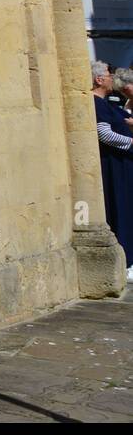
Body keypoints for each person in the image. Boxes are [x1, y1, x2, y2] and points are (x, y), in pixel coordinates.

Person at [92, 60, 133, 281]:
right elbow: (104, 133)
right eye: (108, 74)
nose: (111, 77)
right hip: (115, 166)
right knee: (121, 208)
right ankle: (127, 262)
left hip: (123, 164)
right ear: (99, 79)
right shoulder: (97, 104)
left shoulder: (107, 104)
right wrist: (131, 142)